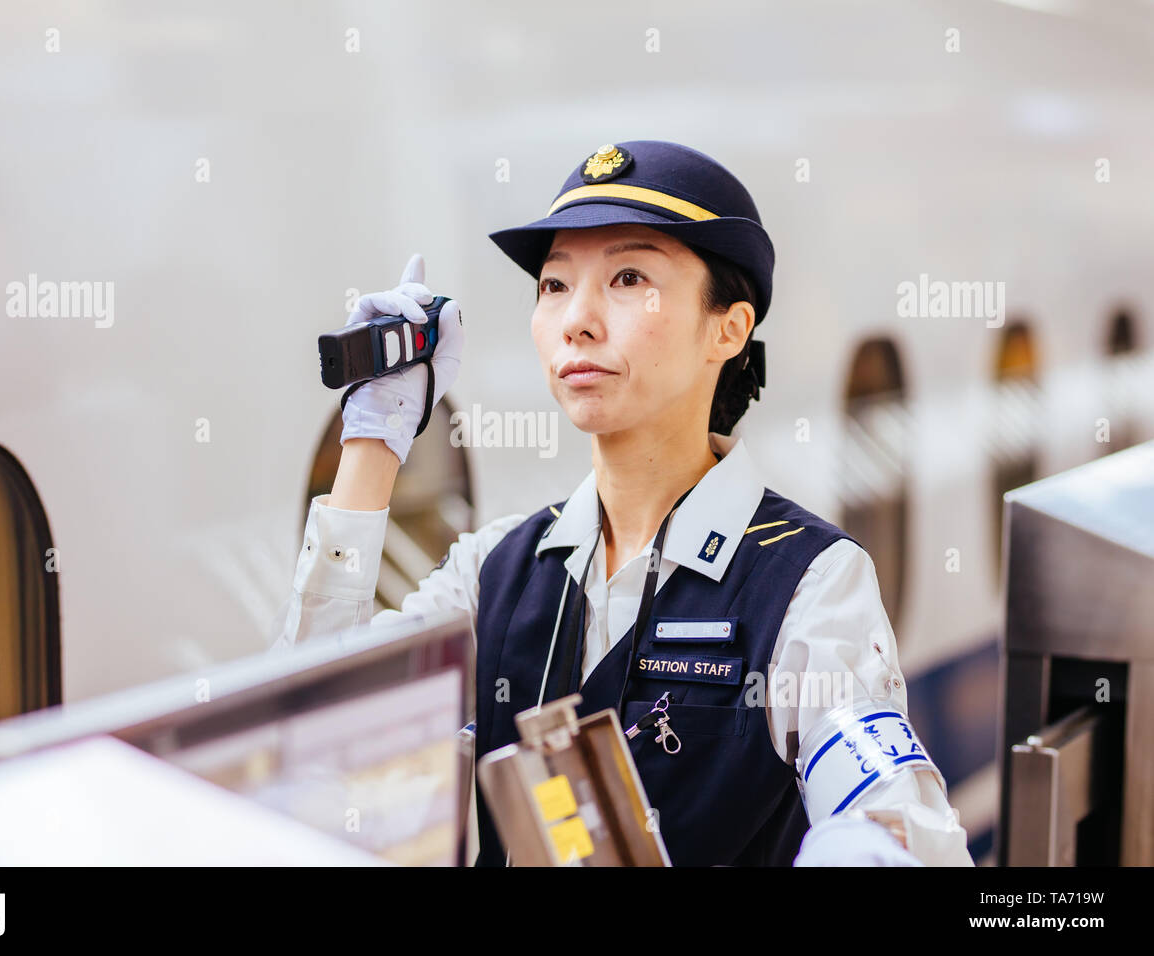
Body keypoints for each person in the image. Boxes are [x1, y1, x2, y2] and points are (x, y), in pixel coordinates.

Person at [273, 140, 973, 867]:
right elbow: (313, 737)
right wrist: (374, 444)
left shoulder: (807, 582)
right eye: (554, 286)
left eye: (628, 278)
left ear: (728, 329)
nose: (576, 319)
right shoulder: (496, 570)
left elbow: (895, 823)